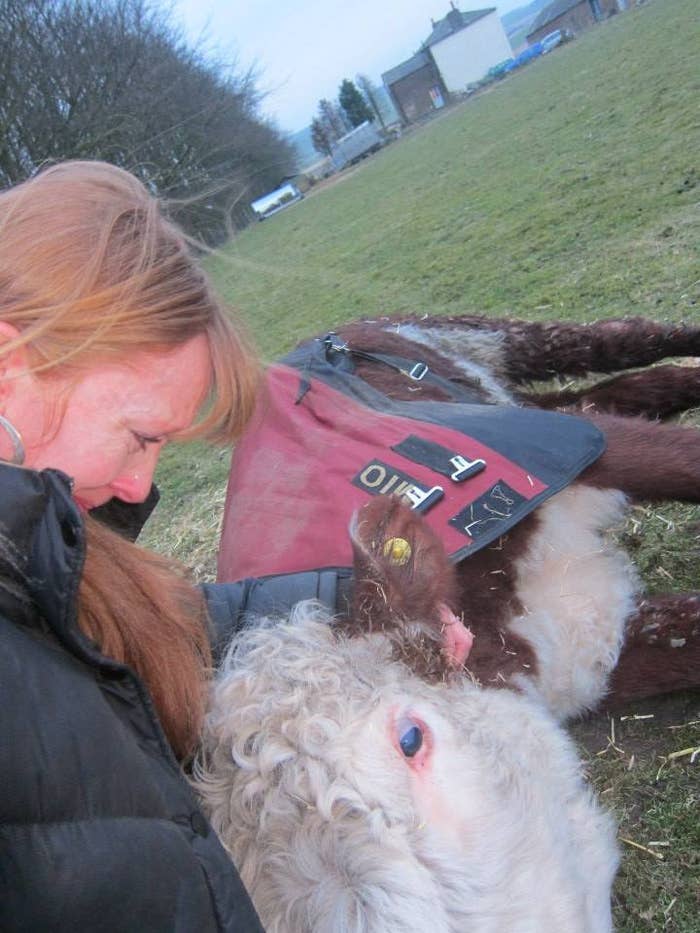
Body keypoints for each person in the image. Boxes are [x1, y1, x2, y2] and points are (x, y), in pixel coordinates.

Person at [0, 161, 265, 931]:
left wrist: (359, 594)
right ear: (11, 369)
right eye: (140, 436)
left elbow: (160, 619)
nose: (138, 483)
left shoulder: (35, 551)